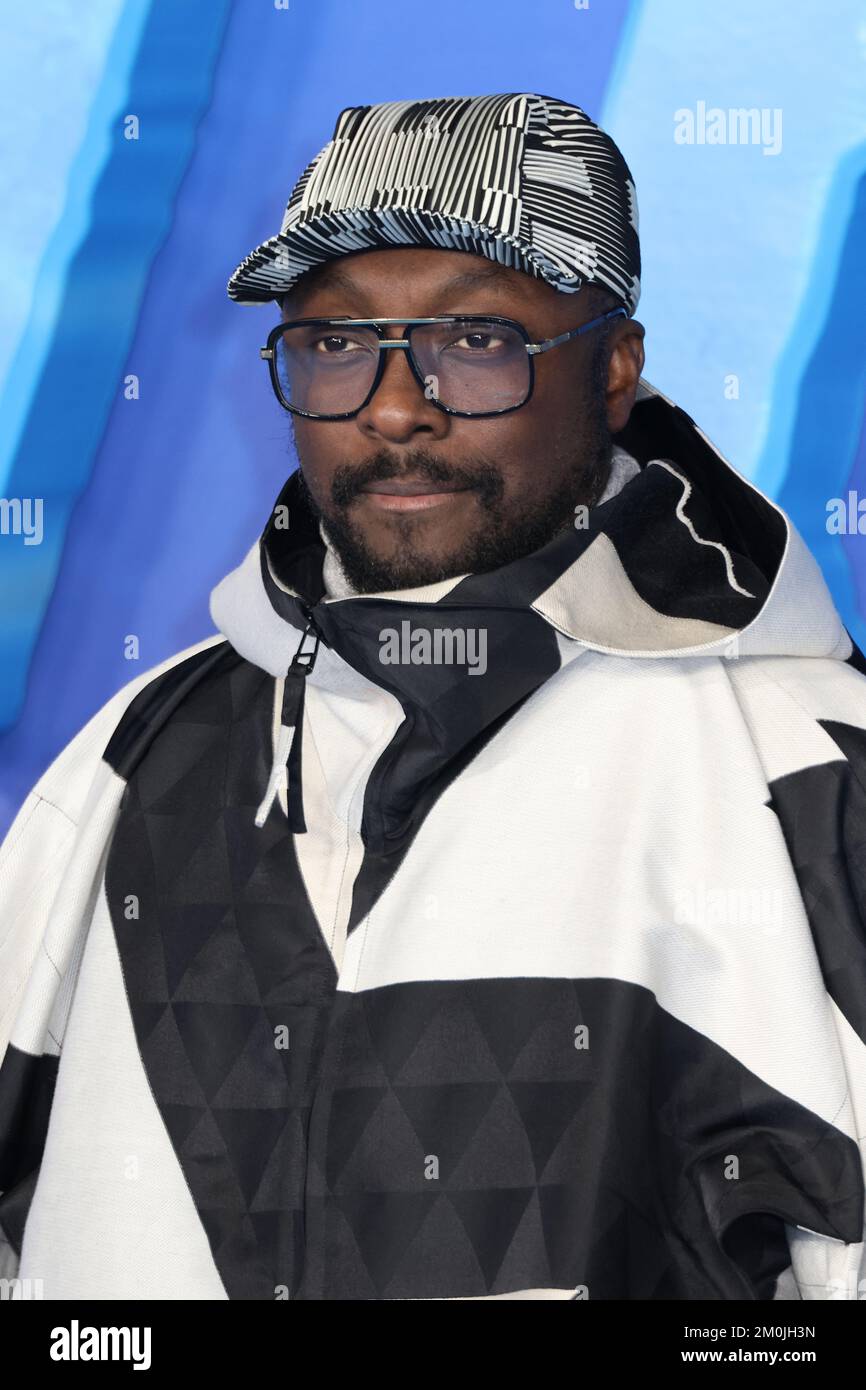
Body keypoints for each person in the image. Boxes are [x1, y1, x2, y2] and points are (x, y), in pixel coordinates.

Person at [1, 91, 865, 1302]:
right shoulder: (134, 755)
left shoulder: (801, 768)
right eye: (338, 344)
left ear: (614, 369)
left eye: (474, 339)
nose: (394, 408)